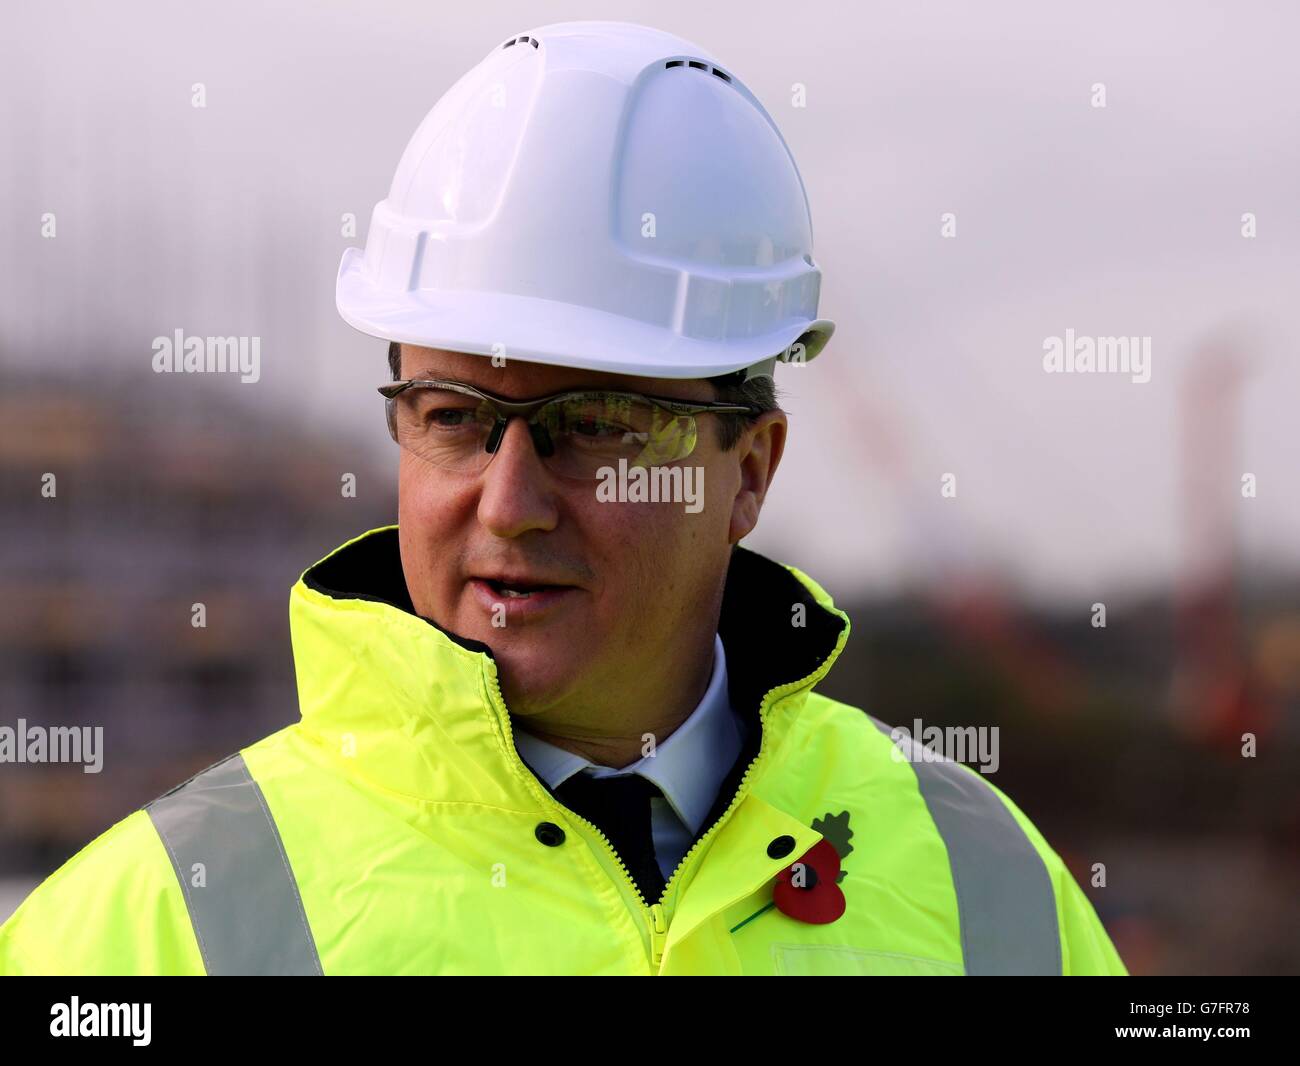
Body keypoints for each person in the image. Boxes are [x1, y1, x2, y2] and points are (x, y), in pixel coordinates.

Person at [0, 20, 1125, 976]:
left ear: (750, 471)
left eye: (594, 425)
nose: (507, 503)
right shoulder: (148, 932)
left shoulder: (989, 888)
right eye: (451, 414)